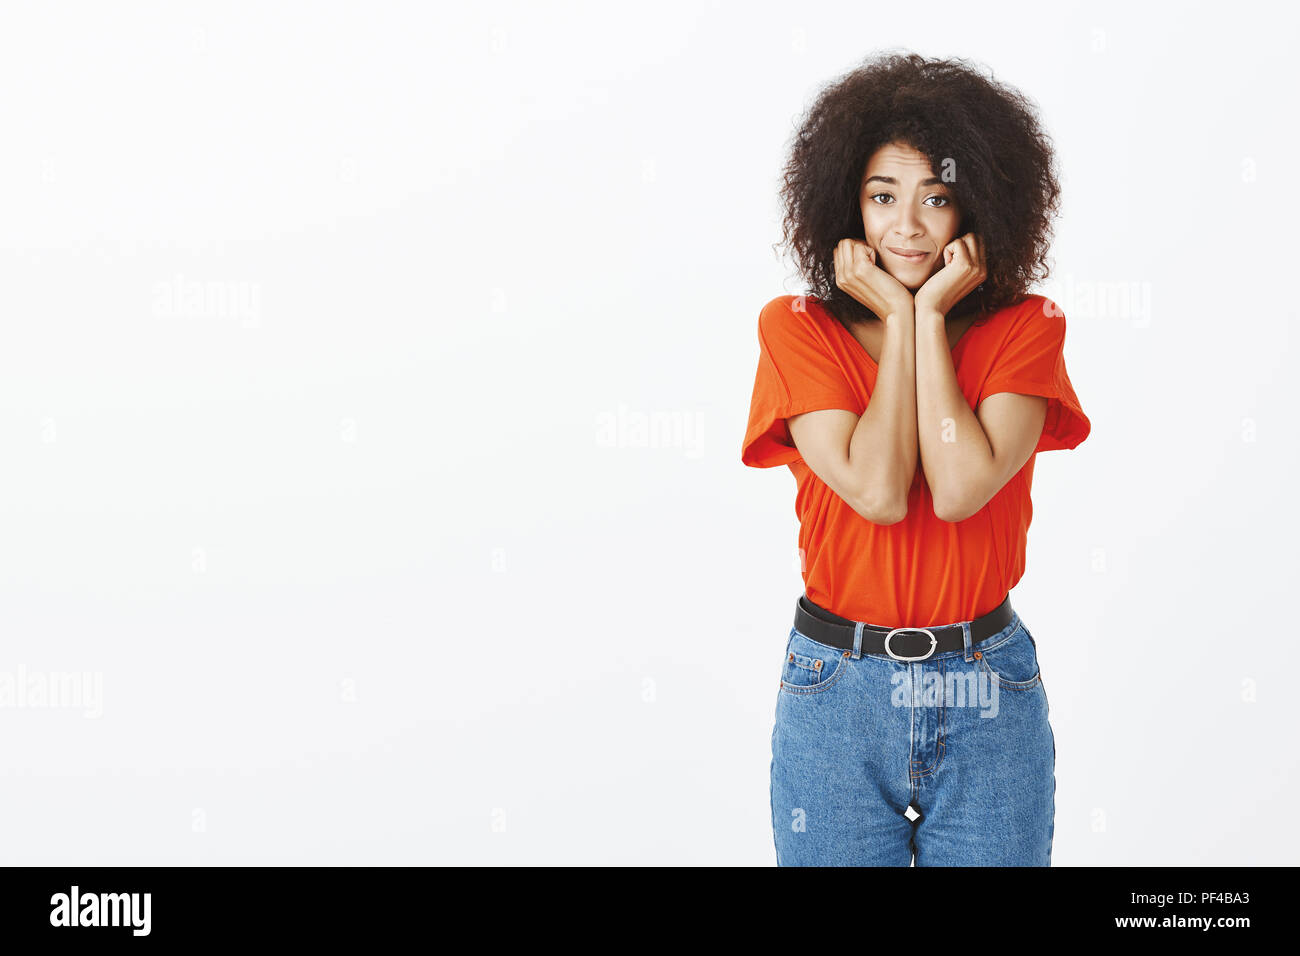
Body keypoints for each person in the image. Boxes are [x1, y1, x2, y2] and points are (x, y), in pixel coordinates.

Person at [741, 52, 1091, 866]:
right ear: (845, 204)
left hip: (985, 689)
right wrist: (901, 322)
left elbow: (963, 485)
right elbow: (879, 489)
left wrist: (924, 318)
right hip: (837, 690)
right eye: (883, 197)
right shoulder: (796, 327)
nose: (907, 225)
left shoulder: (1026, 327)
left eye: (936, 198)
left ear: (977, 205)